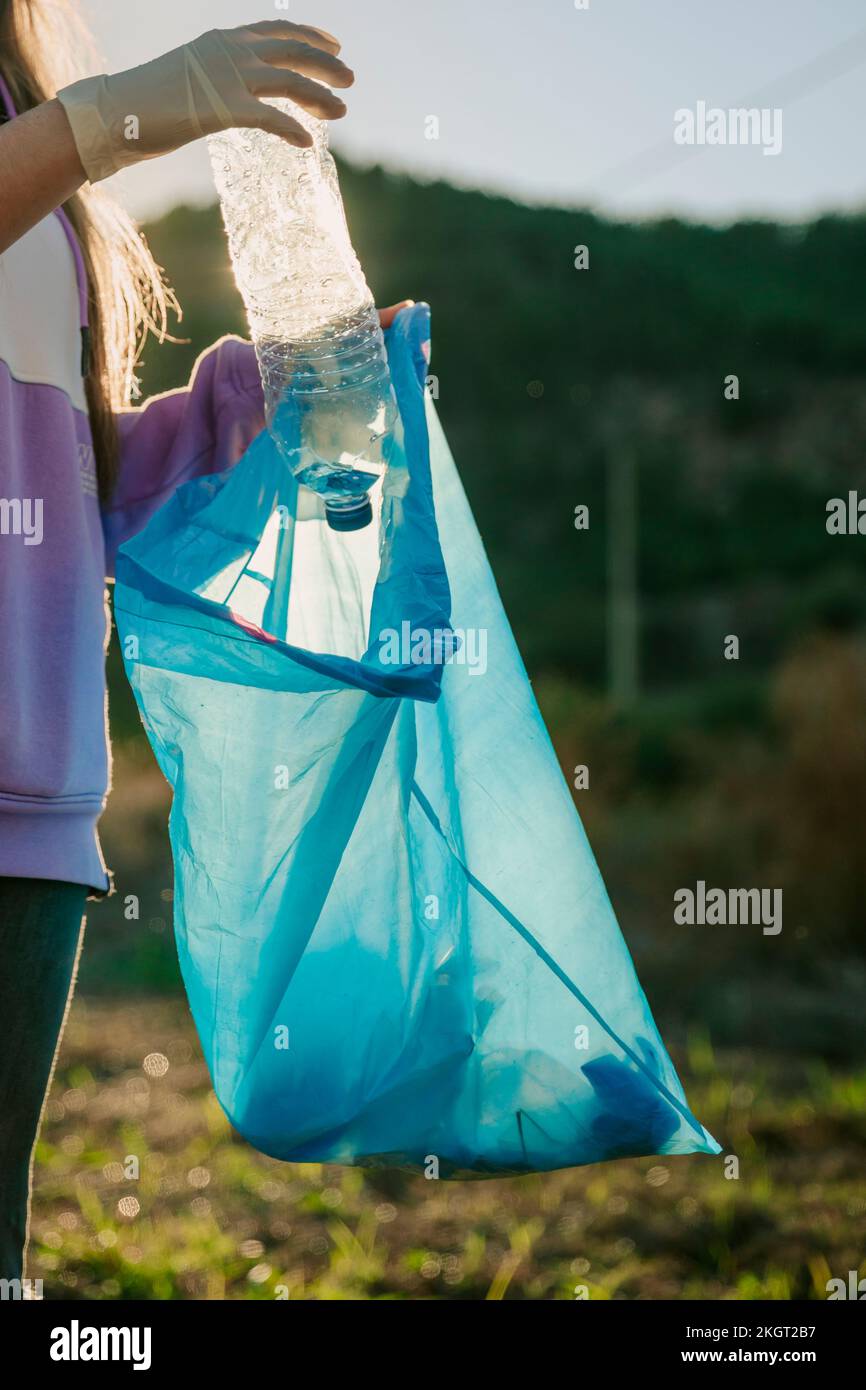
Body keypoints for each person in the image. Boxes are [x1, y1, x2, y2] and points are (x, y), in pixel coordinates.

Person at [0, 0, 409, 1285]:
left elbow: (70, 470)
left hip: (34, 793)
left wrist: (255, 408)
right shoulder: (50, 147)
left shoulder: (29, 132)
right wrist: (128, 112)